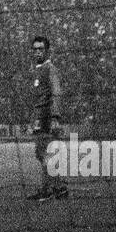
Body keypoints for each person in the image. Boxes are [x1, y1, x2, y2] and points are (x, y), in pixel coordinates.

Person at [26, 35, 68, 201]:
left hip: (47, 118)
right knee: (41, 153)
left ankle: (46, 190)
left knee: (44, 153)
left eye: (41, 49)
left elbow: (56, 92)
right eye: (35, 49)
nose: (37, 52)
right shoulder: (38, 69)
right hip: (40, 117)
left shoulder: (49, 69)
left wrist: (55, 117)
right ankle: (60, 188)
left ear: (47, 51)